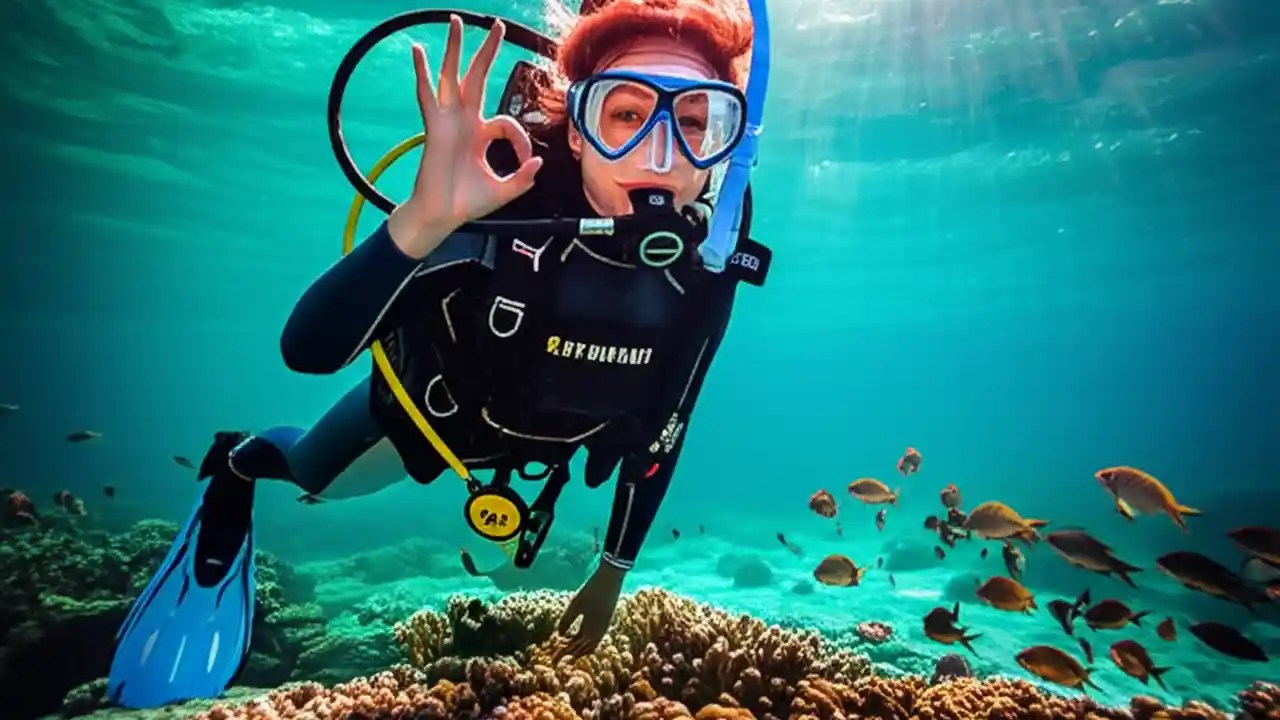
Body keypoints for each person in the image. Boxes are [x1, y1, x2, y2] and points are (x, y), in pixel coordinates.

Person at [106, 0, 772, 709]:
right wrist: (424, 221)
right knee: (314, 477)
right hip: (433, 421)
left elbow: (670, 420)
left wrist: (613, 570)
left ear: (729, 146)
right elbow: (308, 350)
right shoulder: (504, 203)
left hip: (565, 439)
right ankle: (239, 464)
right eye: (626, 114)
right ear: (577, 132)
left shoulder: (709, 257)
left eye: (696, 122)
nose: (661, 155)